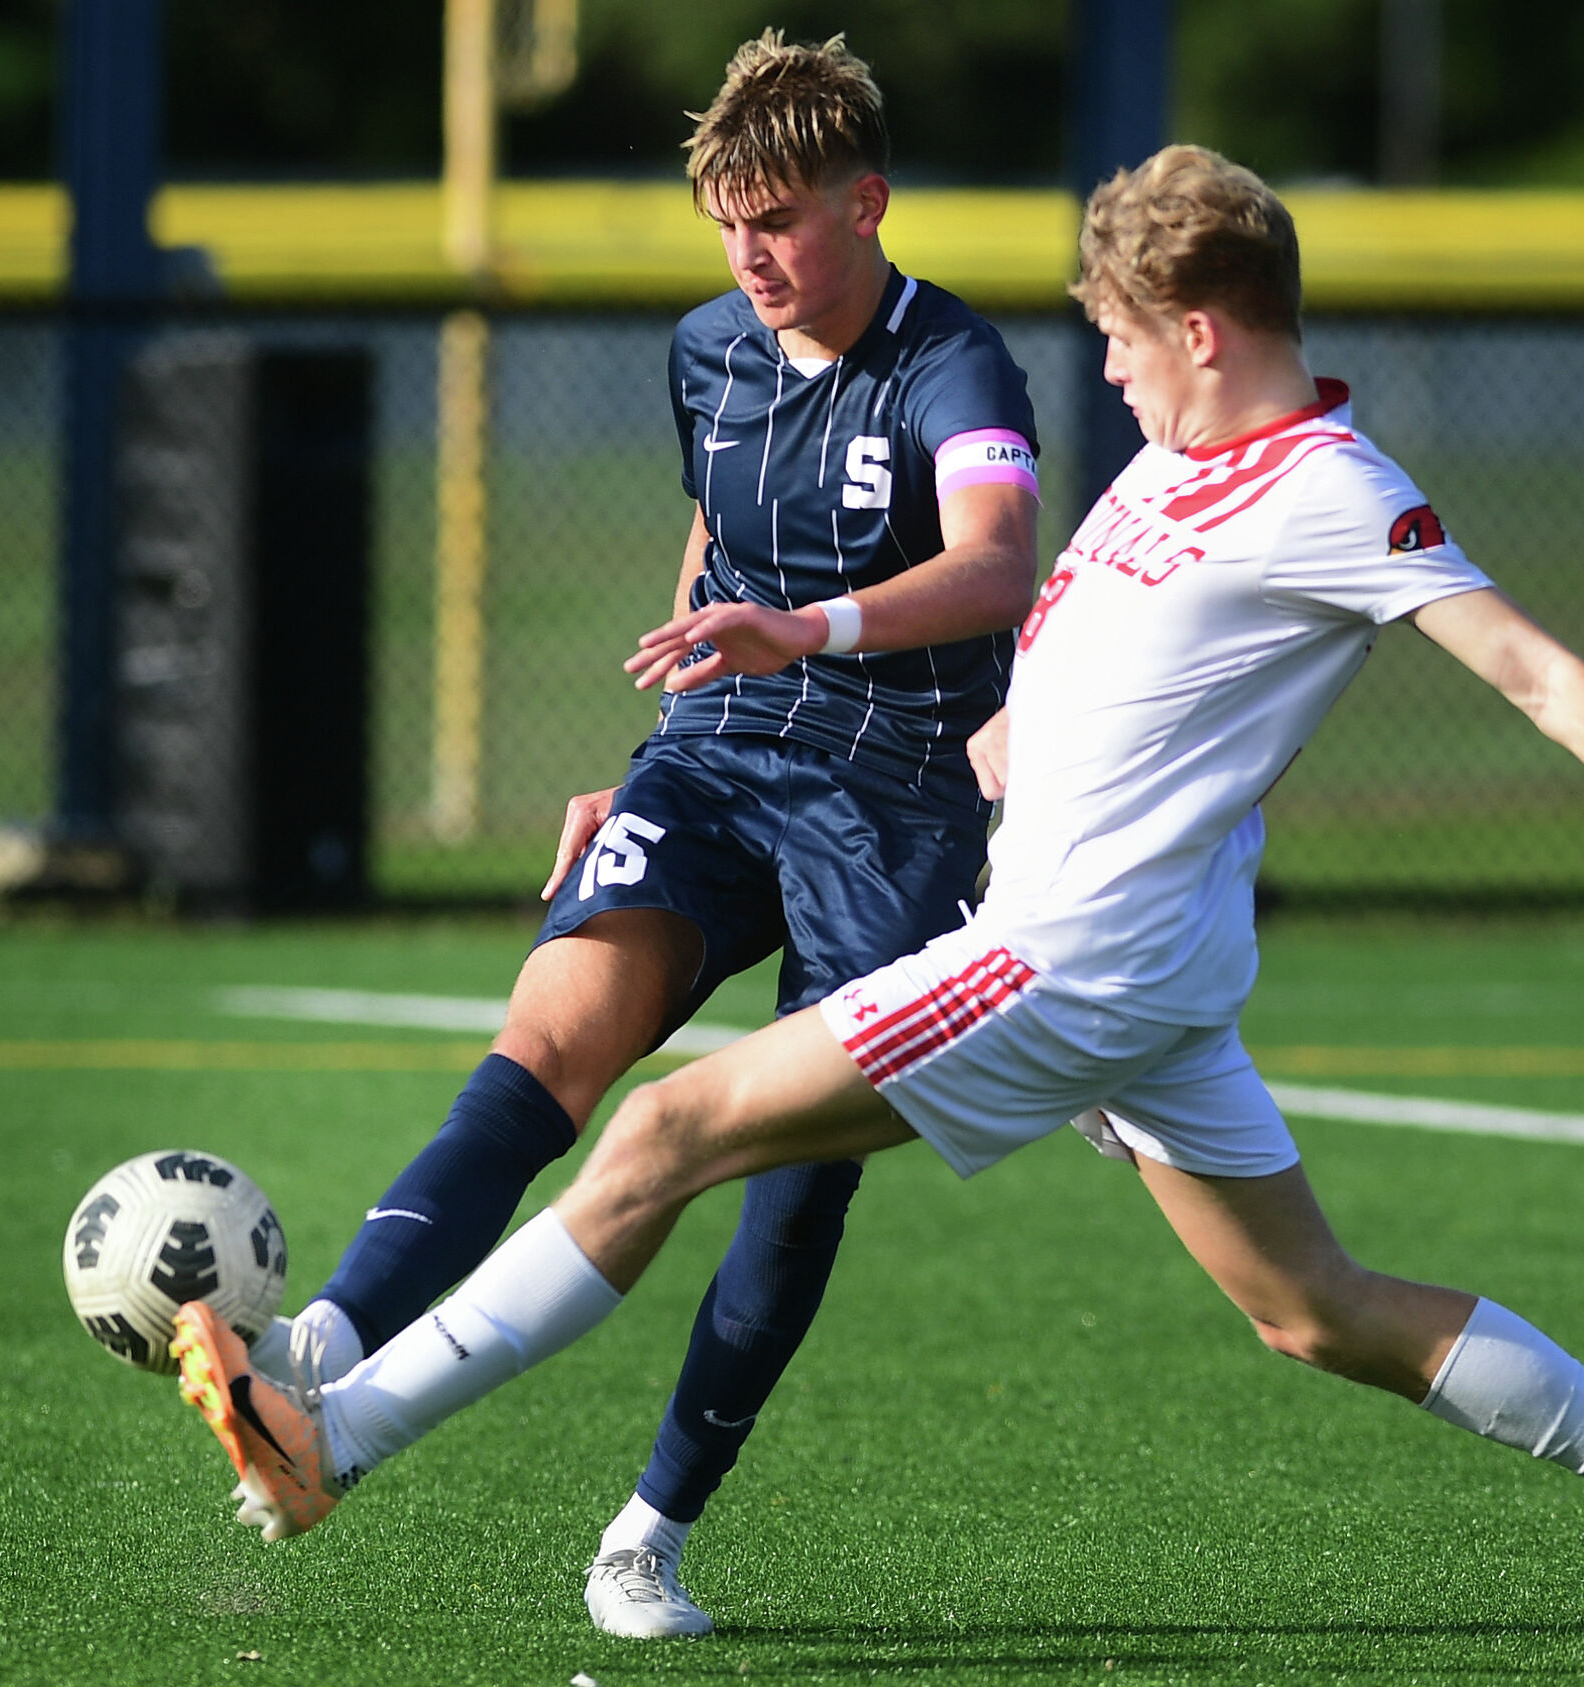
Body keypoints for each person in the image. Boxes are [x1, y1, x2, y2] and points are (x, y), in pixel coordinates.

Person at [175, 145, 1584, 1668]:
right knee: (1314, 1309)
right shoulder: (1174, 459)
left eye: (1120, 339)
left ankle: (341, 1437)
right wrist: (988, 745)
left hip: (1071, 962)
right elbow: (1100, 668)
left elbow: (1534, 671)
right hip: (1150, 975)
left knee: (666, 1130)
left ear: (1201, 329)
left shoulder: (1329, 488)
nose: (1105, 371)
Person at [235, 29, 1041, 1641]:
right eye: (726, 223)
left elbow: (1001, 559)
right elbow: (710, 542)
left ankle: (650, 1533)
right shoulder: (707, 351)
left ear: (868, 202)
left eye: (779, 220)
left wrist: (803, 629)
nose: (750, 255)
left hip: (895, 802)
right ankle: (318, 1351)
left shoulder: (957, 363)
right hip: (719, 756)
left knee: (793, 1172)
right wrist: (657, 748)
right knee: (548, 1044)